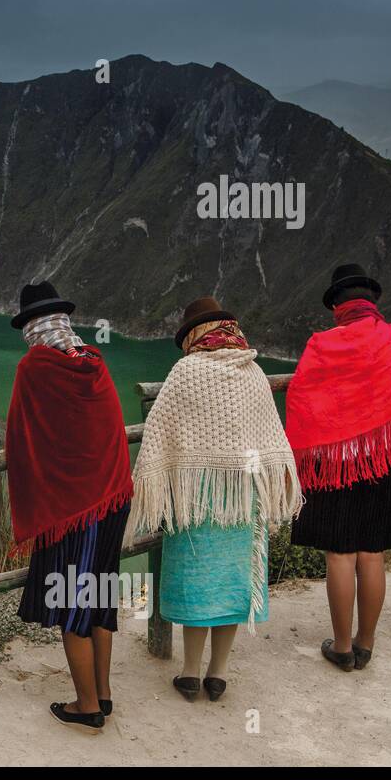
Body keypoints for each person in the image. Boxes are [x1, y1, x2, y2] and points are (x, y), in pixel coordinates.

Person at [129, 297, 301, 702]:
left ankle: (189, 673)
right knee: (232, 584)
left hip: (198, 500)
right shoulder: (255, 373)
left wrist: (167, 479)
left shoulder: (185, 372)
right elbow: (271, 438)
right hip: (243, 500)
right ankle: (218, 673)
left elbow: (159, 436)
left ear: (193, 335)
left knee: (197, 580)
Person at [285, 264, 391, 671]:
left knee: (340, 555)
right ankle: (365, 643)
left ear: (337, 306)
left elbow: (303, 401)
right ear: (371, 302)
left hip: (336, 463)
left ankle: (340, 647)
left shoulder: (322, 344)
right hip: (383, 459)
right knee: (372, 554)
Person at [6, 281, 134, 732]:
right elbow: (109, 433)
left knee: (71, 604)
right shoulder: (93, 364)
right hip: (112, 500)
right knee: (97, 598)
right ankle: (103, 692)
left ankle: (86, 707)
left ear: (32, 328)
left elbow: (21, 441)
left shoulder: (34, 370)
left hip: (70, 512)